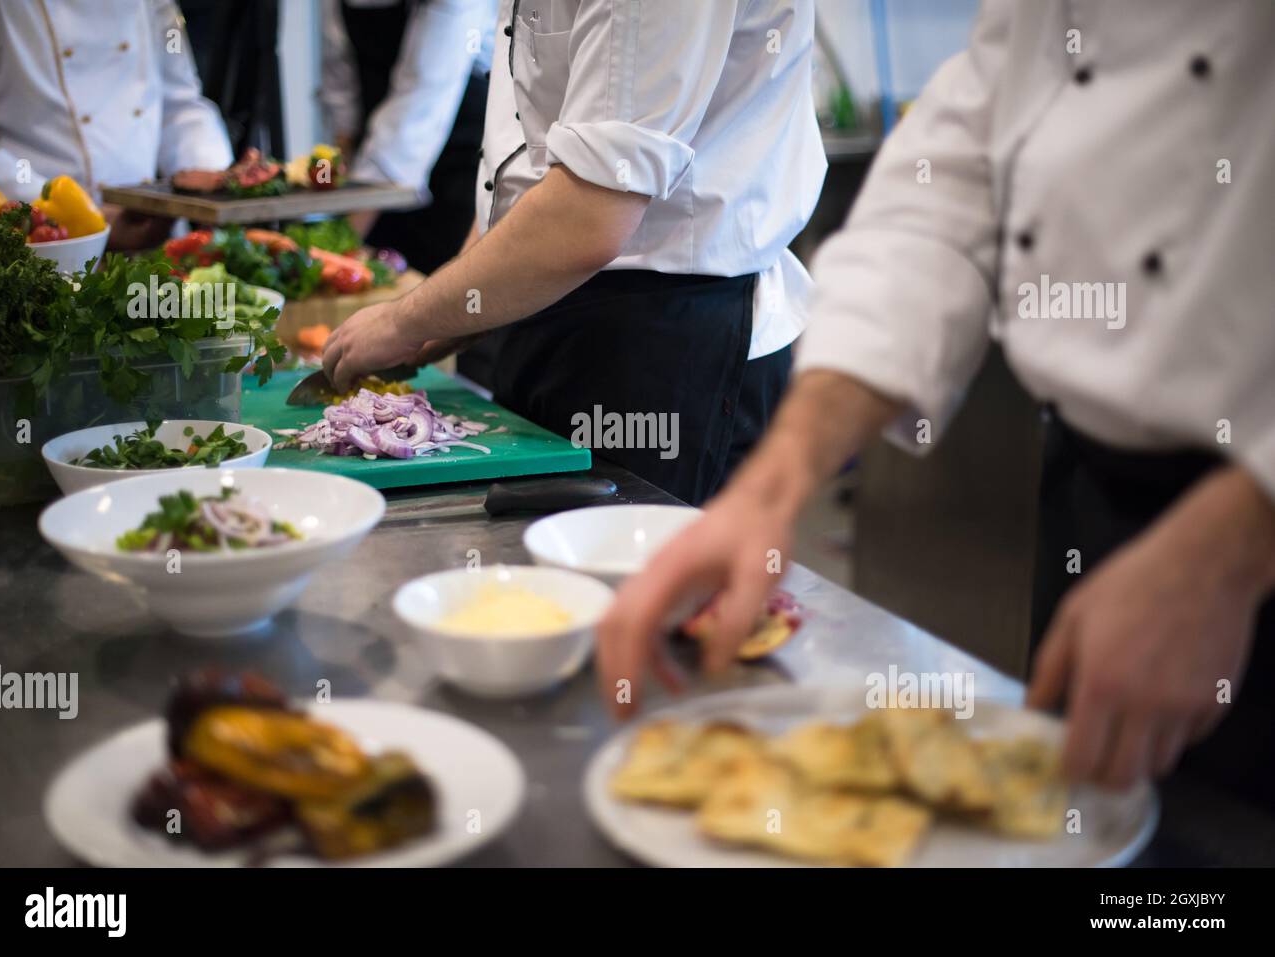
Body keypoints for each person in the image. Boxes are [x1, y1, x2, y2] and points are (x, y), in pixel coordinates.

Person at [597, 0, 1275, 807]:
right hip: (1096, 504)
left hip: (1245, 535)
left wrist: (1228, 550)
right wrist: (770, 488)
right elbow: (949, 192)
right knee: (1096, 836)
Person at [322, 0, 826, 505]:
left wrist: (401, 322)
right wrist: (454, 309)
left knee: (617, 578)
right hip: (552, 304)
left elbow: (590, 212)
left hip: (662, 348)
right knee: (535, 573)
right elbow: (533, 167)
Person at [0, 0, 232, 250]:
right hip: (45, 244)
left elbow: (180, 106)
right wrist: (88, 220)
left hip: (154, 239)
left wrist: (216, 181)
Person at [319, 0, 496, 273]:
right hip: (374, 158)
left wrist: (341, 242)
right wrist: (337, 177)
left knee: (437, 282)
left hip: (455, 155)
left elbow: (415, 115)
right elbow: (339, 78)